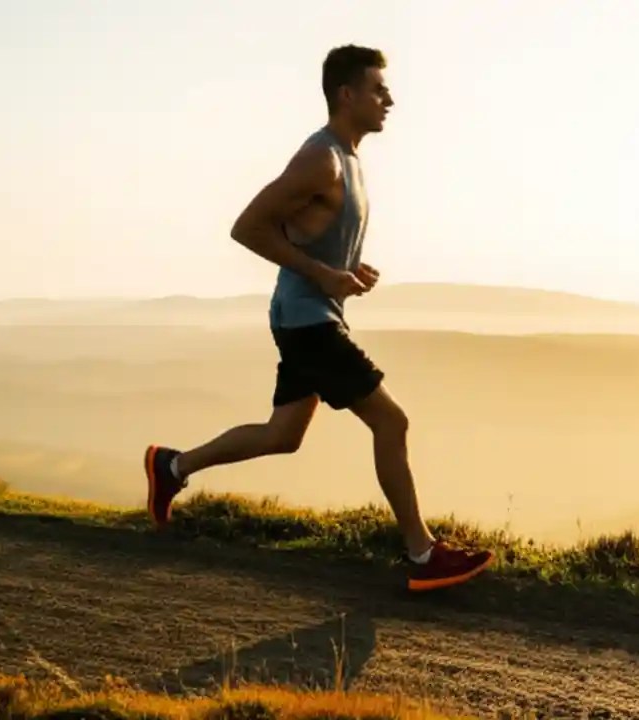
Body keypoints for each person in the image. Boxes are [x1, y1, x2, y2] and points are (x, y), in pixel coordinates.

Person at [143, 44, 494, 592]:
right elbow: (247, 227)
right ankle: (423, 554)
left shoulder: (350, 160)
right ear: (347, 95)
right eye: (379, 90)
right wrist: (322, 274)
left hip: (310, 314)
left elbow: (307, 234)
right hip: (307, 320)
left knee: (284, 434)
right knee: (391, 422)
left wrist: (345, 270)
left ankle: (171, 467)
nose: (389, 100)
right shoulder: (321, 159)